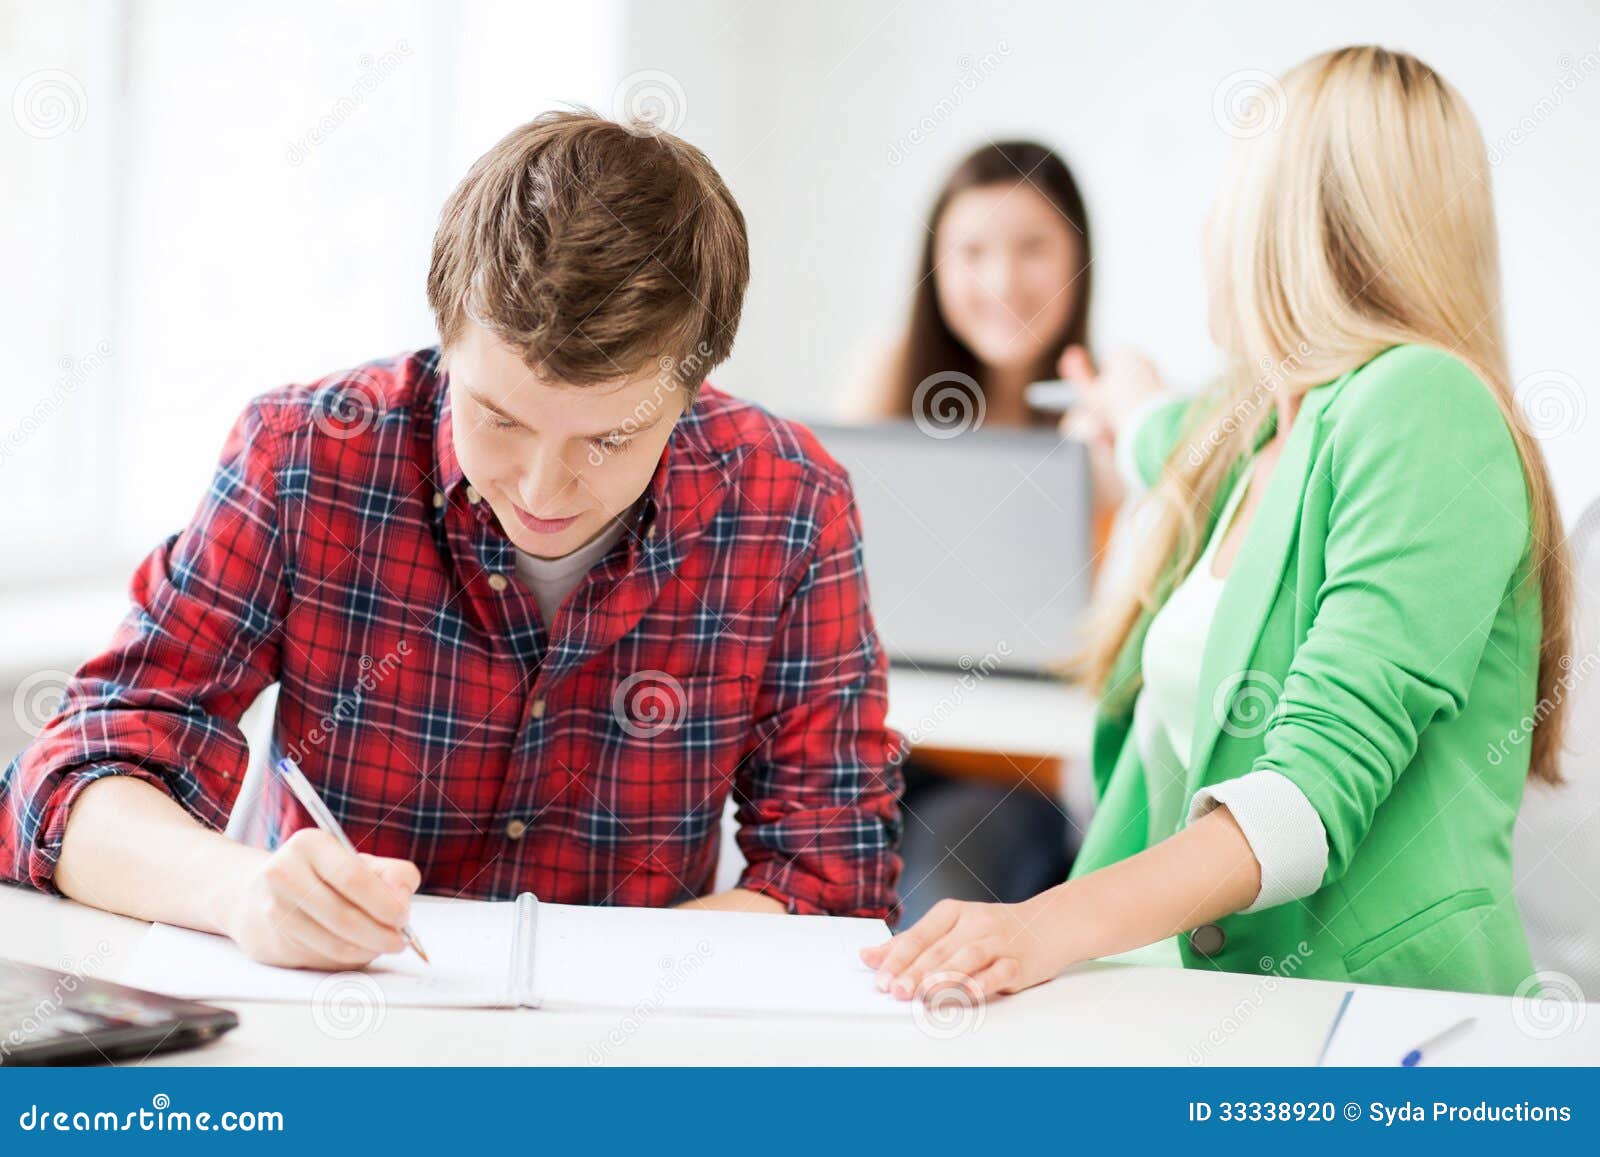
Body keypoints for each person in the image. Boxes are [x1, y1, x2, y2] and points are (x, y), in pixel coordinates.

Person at [0, 111, 902, 970]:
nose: (543, 490)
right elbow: (68, 778)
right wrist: (238, 892)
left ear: (695, 384)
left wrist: (588, 987)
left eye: (610, 439)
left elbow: (832, 879)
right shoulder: (306, 455)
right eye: (499, 417)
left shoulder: (791, 501)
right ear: (445, 332)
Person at [864, 45, 1572, 998]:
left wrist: (1042, 927)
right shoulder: (1261, 427)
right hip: (1179, 998)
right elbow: (1159, 432)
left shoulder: (1422, 405)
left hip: (1359, 1019)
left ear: (1296, 224)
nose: (1206, 228)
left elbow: (1304, 797)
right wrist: (1124, 408)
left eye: (1230, 192)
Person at [843, 141, 1093, 926]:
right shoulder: (886, 383)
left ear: (1078, 258)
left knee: (942, 893)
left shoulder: (1107, 416)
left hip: (1013, 781)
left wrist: (1119, 452)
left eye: (1032, 249)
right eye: (972, 252)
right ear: (935, 268)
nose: (1002, 281)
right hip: (875, 757)